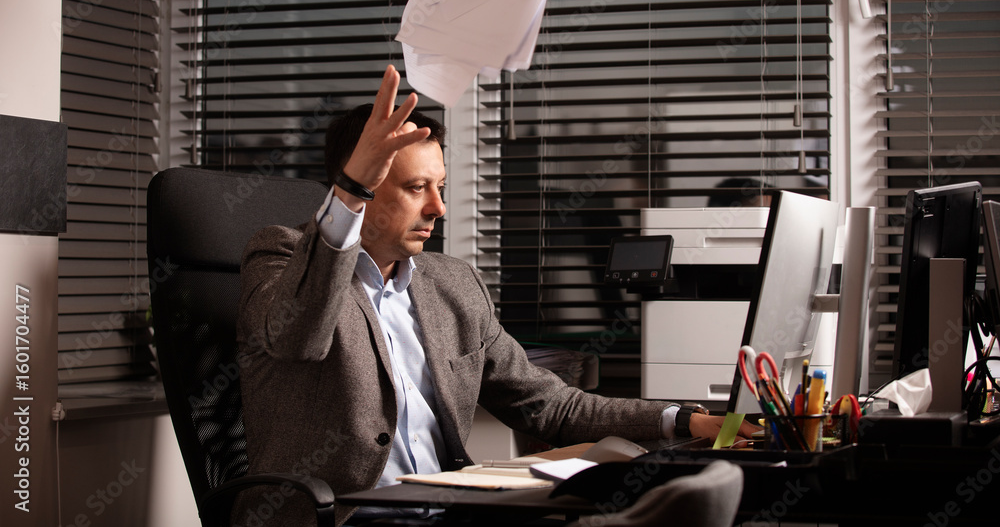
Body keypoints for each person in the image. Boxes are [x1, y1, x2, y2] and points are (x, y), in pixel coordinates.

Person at [234, 65, 756, 527]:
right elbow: (299, 336)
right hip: (343, 516)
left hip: (447, 506)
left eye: (441, 186)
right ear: (363, 190)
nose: (439, 207)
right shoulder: (281, 258)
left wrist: (683, 420)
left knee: (596, 482)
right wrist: (349, 188)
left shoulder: (452, 284)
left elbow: (551, 406)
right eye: (417, 188)